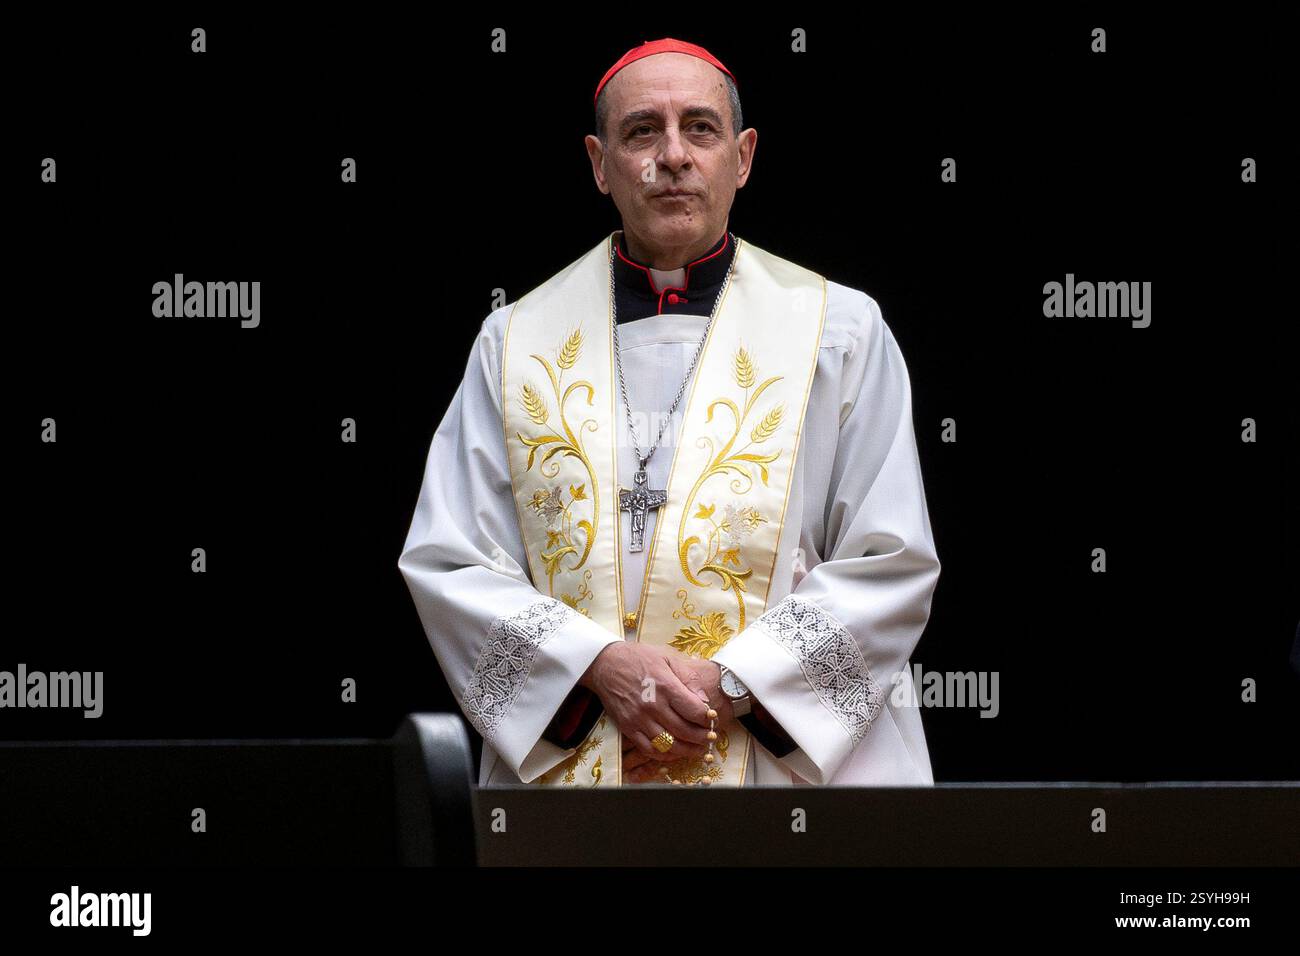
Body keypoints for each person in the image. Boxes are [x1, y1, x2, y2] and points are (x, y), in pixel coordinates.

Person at [398, 38, 941, 787]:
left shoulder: (839, 332)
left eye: (701, 128)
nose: (674, 155)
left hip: (780, 779)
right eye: (642, 130)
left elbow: (891, 560)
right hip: (586, 758)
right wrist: (598, 667)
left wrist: (736, 686)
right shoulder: (515, 341)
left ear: (743, 157)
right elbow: (450, 560)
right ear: (599, 163)